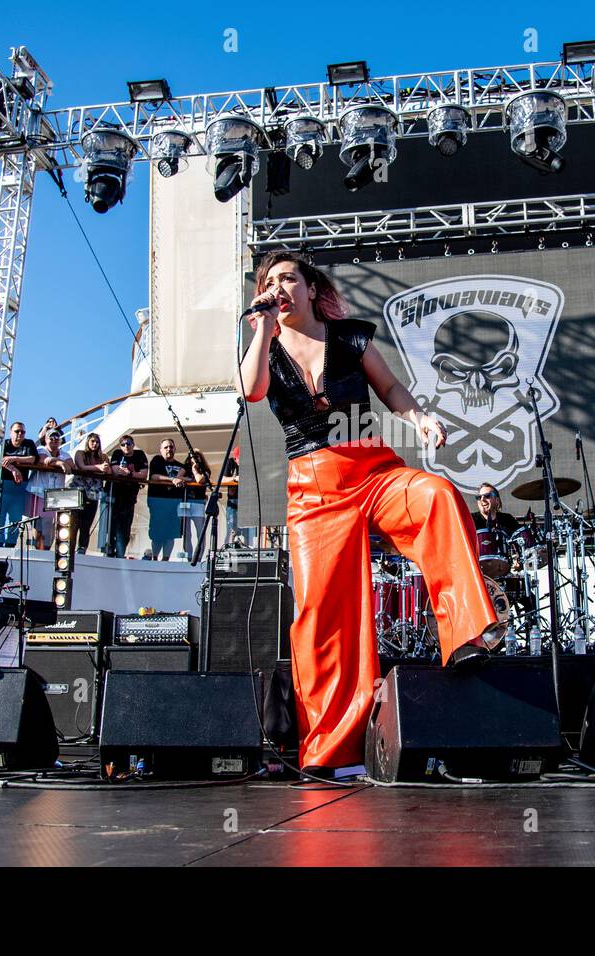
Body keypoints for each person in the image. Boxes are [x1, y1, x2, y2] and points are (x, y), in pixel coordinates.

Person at [237, 249, 504, 774]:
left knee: (437, 497)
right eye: (270, 283)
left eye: (289, 279)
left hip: (372, 468)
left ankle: (468, 634)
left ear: (311, 289)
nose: (280, 288)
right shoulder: (264, 347)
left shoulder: (351, 338)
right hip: (314, 489)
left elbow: (391, 388)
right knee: (320, 618)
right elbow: (251, 391)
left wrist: (420, 418)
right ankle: (328, 751)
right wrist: (262, 331)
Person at [26, 430, 72, 550]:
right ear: (46, 439)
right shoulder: (41, 449)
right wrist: (60, 463)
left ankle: (45, 548)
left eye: (57, 437)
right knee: (38, 523)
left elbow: (71, 466)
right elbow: (43, 460)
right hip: (38, 492)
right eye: (51, 438)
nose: (54, 440)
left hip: (55, 496)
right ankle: (37, 548)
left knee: (49, 525)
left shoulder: (65, 454)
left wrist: (55, 461)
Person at [0, 423, 38, 547]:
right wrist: (13, 469)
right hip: (4, 486)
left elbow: (33, 458)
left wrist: (13, 458)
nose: (20, 434)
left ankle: (10, 545)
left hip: (20, 488)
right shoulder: (5, 444)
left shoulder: (28, 443)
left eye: (23, 432)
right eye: (17, 431)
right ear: (11, 432)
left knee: (16, 519)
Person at [105, 435, 148, 558]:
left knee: (125, 528)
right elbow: (115, 470)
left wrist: (129, 473)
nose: (126, 446)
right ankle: (109, 552)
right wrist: (133, 474)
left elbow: (144, 475)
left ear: (133, 444)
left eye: (128, 443)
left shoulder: (139, 455)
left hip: (129, 496)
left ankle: (120, 553)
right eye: (123, 444)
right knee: (111, 526)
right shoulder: (117, 453)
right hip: (114, 494)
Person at [146, 438, 187, 560]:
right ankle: (155, 558)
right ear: (161, 450)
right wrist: (172, 479)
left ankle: (165, 559)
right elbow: (154, 476)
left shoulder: (181, 466)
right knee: (158, 534)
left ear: (175, 449)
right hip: (158, 501)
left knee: (170, 534)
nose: (169, 449)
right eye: (166, 447)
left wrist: (182, 480)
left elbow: (189, 478)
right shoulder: (157, 461)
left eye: (171, 447)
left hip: (174, 503)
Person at [68, 433, 110, 554]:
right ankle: (70, 547)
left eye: (97, 442)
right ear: (88, 442)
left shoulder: (103, 457)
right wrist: (99, 468)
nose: (95, 444)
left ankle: (82, 548)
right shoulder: (80, 453)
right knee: (73, 522)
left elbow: (108, 469)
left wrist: (106, 468)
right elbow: (81, 466)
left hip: (93, 494)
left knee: (86, 523)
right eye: (92, 441)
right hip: (78, 492)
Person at [180, 448, 212, 558]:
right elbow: (178, 477)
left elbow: (200, 480)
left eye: (197, 456)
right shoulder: (185, 468)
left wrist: (194, 471)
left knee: (200, 533)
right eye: (192, 456)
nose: (194, 458)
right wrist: (189, 479)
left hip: (198, 502)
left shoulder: (205, 470)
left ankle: (198, 558)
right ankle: (189, 556)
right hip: (185, 502)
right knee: (186, 533)